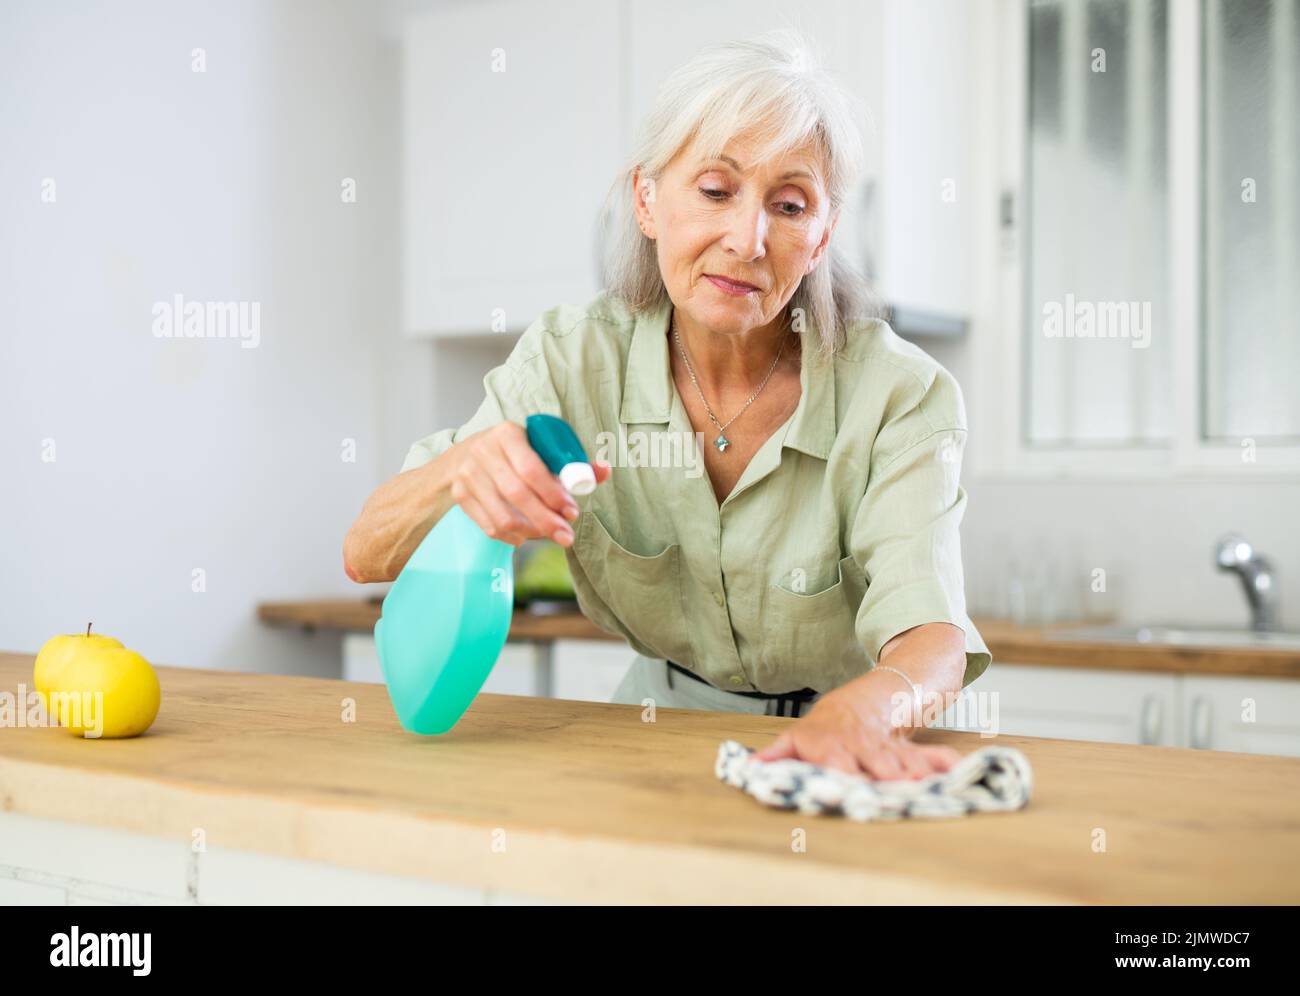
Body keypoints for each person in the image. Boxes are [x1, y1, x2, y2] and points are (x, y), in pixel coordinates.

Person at [344, 29, 991, 780]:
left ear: (821, 240)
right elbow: (367, 552)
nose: (748, 239)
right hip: (651, 735)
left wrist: (862, 712)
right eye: (715, 191)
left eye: (789, 205)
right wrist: (465, 469)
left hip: (853, 744)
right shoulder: (571, 360)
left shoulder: (899, 395)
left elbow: (931, 634)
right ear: (647, 202)